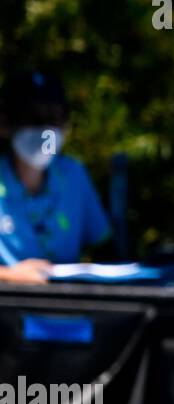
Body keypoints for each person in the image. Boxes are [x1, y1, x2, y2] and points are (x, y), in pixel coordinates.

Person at [0, 70, 112, 285]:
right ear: (4, 123)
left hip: (69, 312)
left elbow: (106, 252)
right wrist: (8, 275)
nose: (44, 129)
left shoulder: (73, 174)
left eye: (54, 118)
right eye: (31, 117)